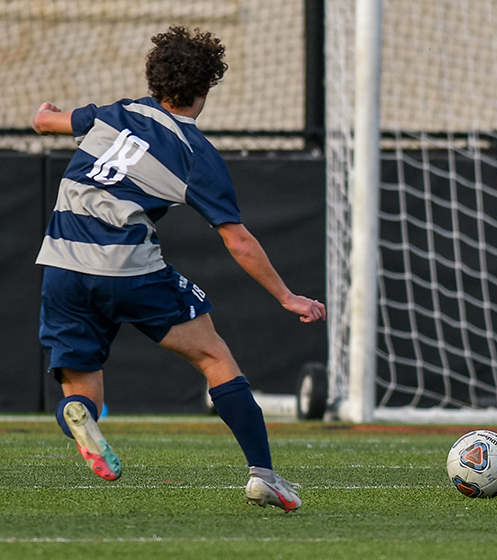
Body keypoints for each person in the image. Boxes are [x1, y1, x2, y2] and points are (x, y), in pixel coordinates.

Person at [30, 26, 325, 512]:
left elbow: (45, 123)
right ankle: (263, 475)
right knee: (213, 357)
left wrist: (45, 112)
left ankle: (79, 415)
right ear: (206, 89)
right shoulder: (196, 153)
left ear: (154, 79)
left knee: (85, 397)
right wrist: (287, 296)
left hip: (61, 261)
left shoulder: (114, 113)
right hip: (129, 267)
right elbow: (239, 241)